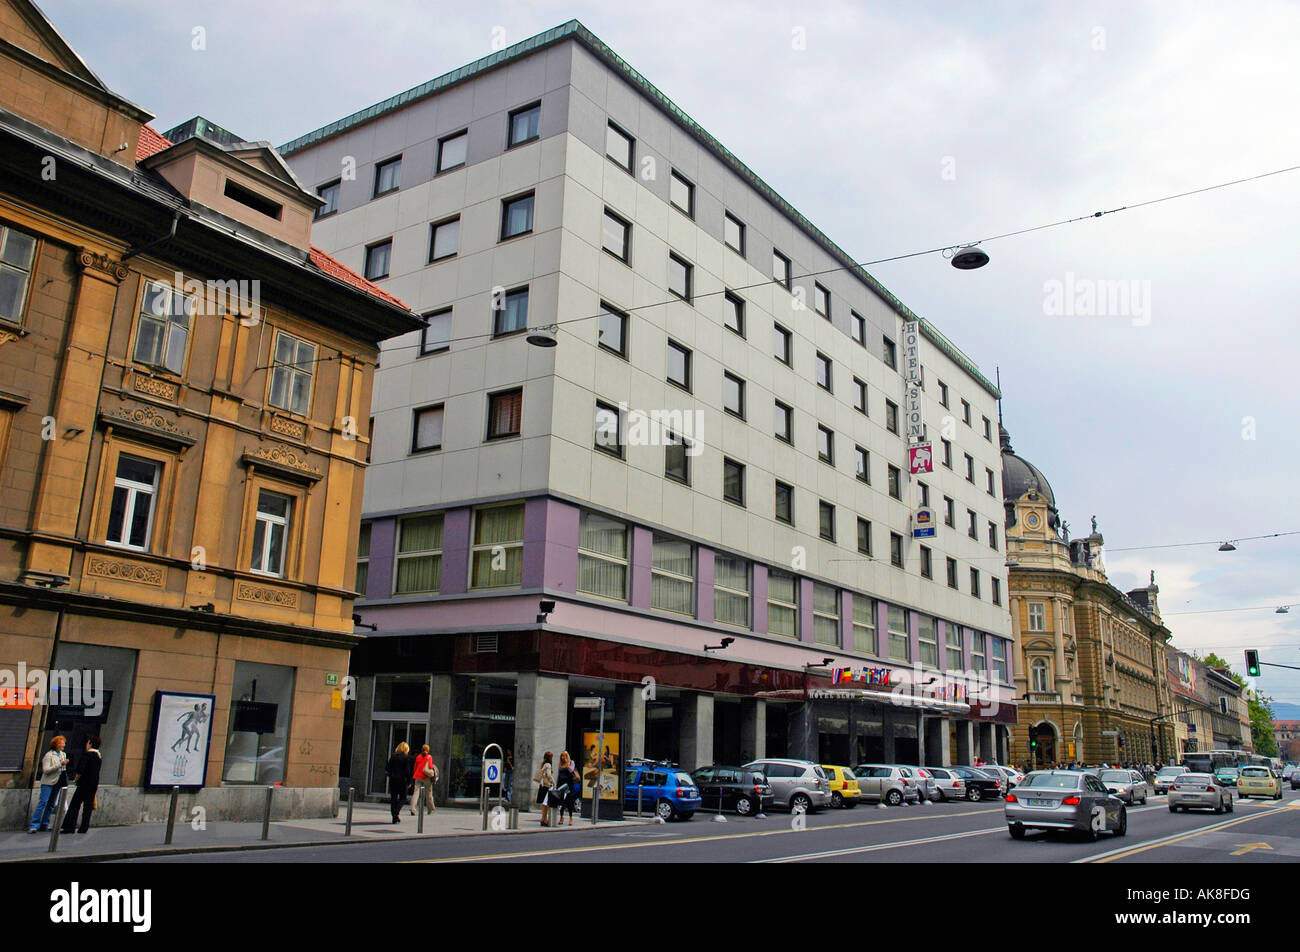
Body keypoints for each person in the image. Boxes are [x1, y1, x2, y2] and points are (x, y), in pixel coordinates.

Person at [60, 736, 102, 834]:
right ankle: (84, 827)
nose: (86, 745)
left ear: (90, 744)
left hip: (84, 783)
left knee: (75, 805)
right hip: (93, 784)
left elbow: (80, 769)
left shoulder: (87, 755)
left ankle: (70, 827)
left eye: (88, 743)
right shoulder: (99, 756)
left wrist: (76, 778)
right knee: (88, 806)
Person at [29, 735, 68, 833]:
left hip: (57, 781)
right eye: (61, 743)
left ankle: (45, 823)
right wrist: (60, 764)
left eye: (64, 743)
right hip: (48, 782)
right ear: (56, 744)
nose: (63, 745)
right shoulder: (49, 755)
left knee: (51, 804)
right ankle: (34, 824)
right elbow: (46, 770)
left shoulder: (63, 754)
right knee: (43, 802)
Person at [385, 741, 412, 824]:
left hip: (393, 779)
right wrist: (409, 781)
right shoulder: (406, 757)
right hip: (402, 780)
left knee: (393, 798)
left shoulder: (393, 756)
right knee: (403, 797)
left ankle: (394, 816)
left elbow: (387, 768)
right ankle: (396, 813)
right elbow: (407, 771)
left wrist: (390, 775)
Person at [552, 750, 579, 826]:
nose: (563, 757)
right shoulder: (560, 764)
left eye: (564, 756)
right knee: (561, 801)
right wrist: (556, 784)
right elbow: (559, 775)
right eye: (562, 756)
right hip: (561, 784)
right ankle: (561, 817)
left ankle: (571, 818)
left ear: (567, 756)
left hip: (568, 784)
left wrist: (567, 763)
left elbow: (571, 770)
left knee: (569, 801)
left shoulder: (571, 762)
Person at [410, 744, 436, 816]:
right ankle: (430, 808)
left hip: (418, 776)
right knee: (429, 793)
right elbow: (430, 766)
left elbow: (415, 767)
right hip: (426, 777)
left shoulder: (418, 757)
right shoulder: (429, 757)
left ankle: (413, 808)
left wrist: (414, 775)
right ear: (428, 750)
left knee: (416, 793)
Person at [533, 751, 554, 825]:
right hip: (546, 785)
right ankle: (544, 819)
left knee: (544, 803)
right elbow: (549, 775)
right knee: (546, 803)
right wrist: (554, 782)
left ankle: (543, 818)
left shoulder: (543, 764)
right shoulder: (548, 765)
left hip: (542, 785)